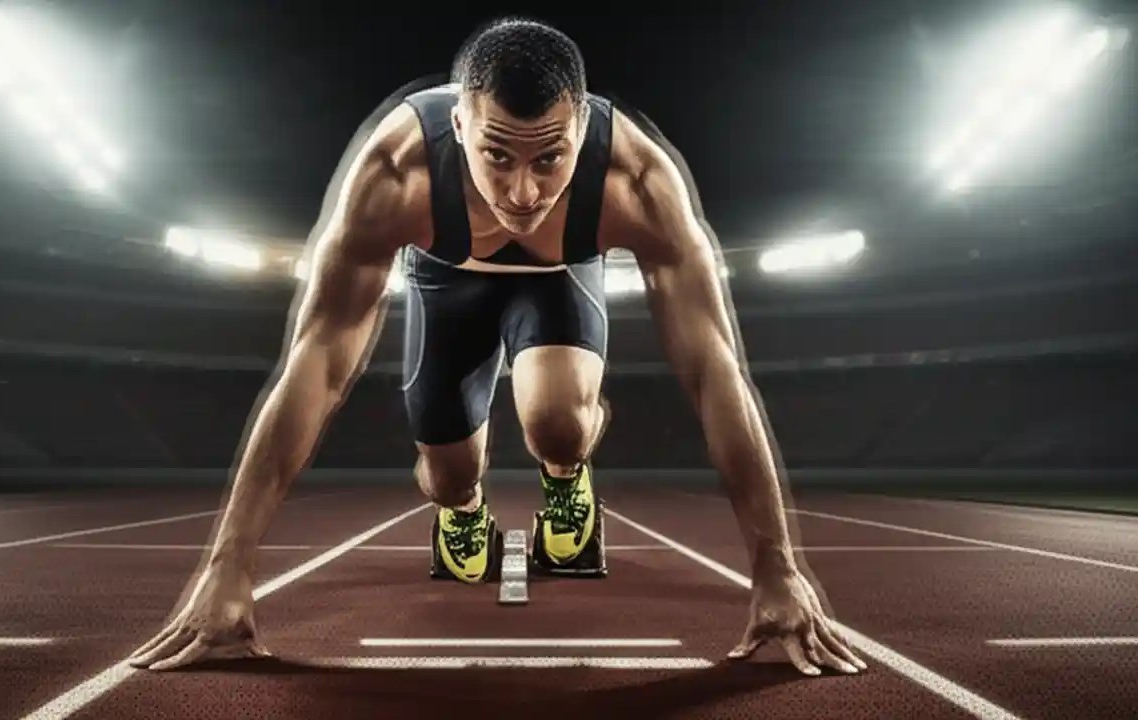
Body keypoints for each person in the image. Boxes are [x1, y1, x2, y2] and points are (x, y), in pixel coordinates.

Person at [128, 16, 867, 677]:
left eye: (551, 159)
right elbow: (317, 363)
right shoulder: (397, 174)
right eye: (498, 156)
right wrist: (230, 565)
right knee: (448, 475)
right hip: (448, 288)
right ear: (458, 121)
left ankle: (566, 478)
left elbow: (713, 370)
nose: (522, 192)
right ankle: (463, 509)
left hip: (561, 283)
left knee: (558, 421)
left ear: (581, 127)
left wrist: (776, 570)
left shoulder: (635, 180)